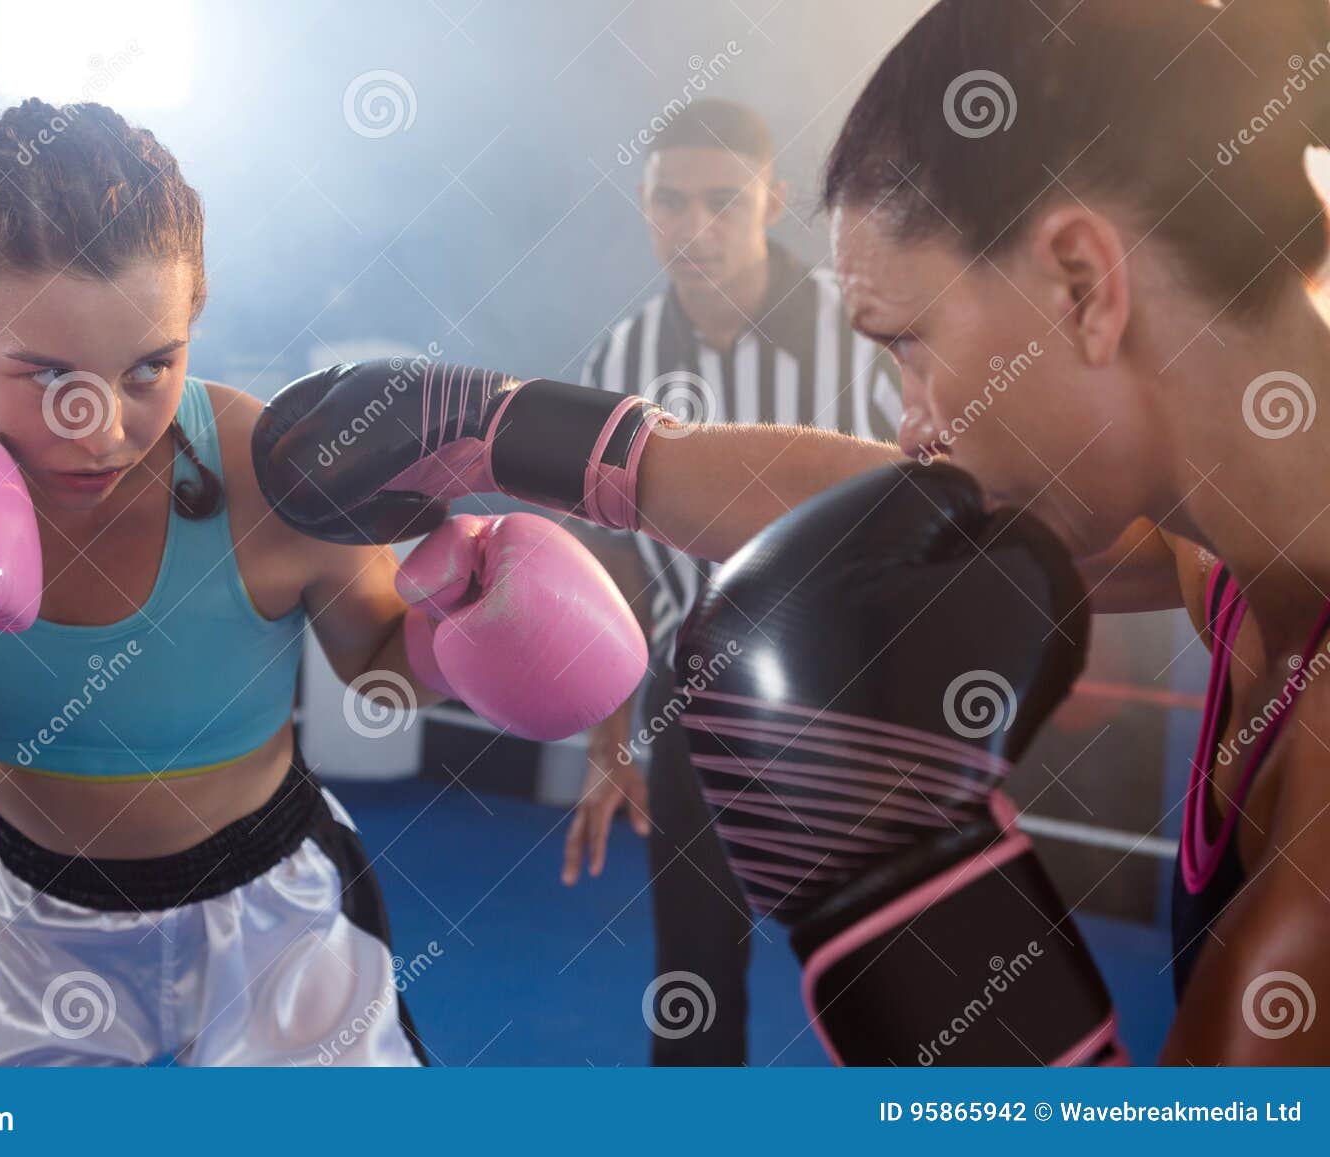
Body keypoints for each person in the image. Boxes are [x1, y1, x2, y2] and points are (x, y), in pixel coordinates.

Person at [253, 0, 1330, 1063]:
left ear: (1084, 284)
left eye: (909, 342)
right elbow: (908, 499)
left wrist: (924, 923)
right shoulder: (1223, 547)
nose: (911, 421)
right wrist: (507, 433)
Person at [0, 99, 644, 1067]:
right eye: (42, 371)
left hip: (277, 913)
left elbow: (375, 666)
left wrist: (463, 630)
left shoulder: (274, 465)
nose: (100, 428)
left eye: (151, 366)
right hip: (30, 930)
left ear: (195, 312)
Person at [562, 99, 899, 1067]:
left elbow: (951, 496)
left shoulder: (869, 327)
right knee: (692, 974)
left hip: (861, 691)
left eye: (722, 200)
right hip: (695, 693)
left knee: (897, 975)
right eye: (670, 202)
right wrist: (608, 725)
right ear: (643, 205)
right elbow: (612, 561)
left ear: (773, 200)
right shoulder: (616, 363)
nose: (694, 228)